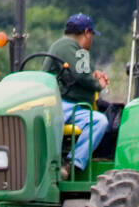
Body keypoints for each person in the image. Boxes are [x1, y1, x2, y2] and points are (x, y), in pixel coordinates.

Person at [44, 14, 109, 177]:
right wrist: (97, 85)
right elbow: (81, 75)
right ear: (87, 32)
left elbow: (78, 74)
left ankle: (72, 163)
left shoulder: (69, 49)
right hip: (60, 104)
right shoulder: (68, 45)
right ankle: (67, 163)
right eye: (92, 35)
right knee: (100, 121)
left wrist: (92, 75)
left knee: (98, 120)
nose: (92, 40)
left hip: (68, 105)